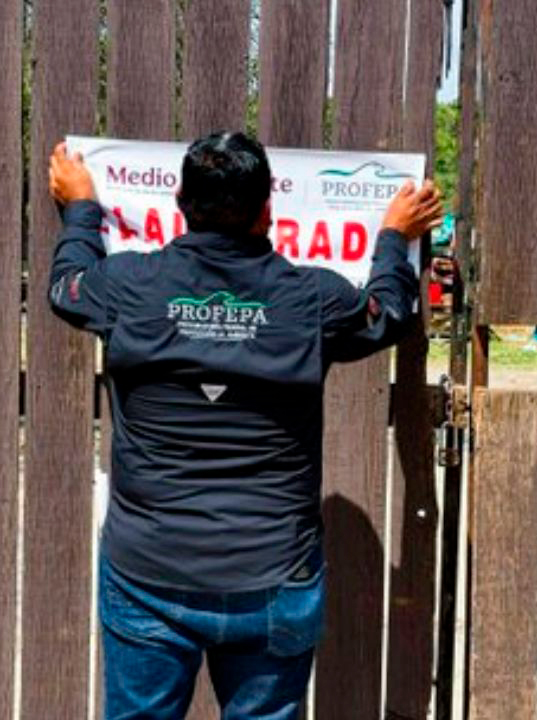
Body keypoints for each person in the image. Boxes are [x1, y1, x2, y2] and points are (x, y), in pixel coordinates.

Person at [47, 132, 443, 720]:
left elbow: (66, 286)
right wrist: (393, 238)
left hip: (148, 575)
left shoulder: (127, 288)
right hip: (275, 576)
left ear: (179, 200)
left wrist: (82, 209)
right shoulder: (314, 298)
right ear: (267, 208)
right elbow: (385, 315)